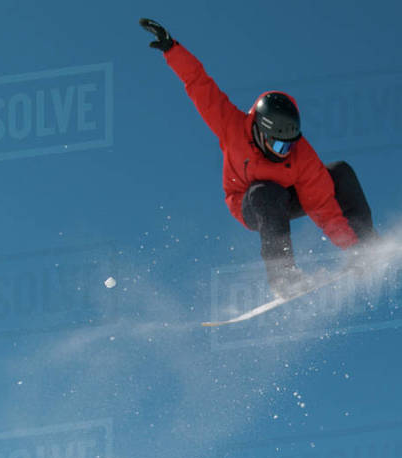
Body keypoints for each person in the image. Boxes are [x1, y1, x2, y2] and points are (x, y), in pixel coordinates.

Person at [140, 18, 379, 299]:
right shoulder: (230, 125)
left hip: (287, 196)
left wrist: (352, 248)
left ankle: (368, 247)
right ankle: (284, 278)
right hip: (249, 202)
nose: (282, 152)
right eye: (277, 144)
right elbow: (198, 84)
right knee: (266, 192)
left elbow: (323, 207)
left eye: (288, 145)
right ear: (259, 129)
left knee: (339, 173)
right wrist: (172, 49)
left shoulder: (301, 155)